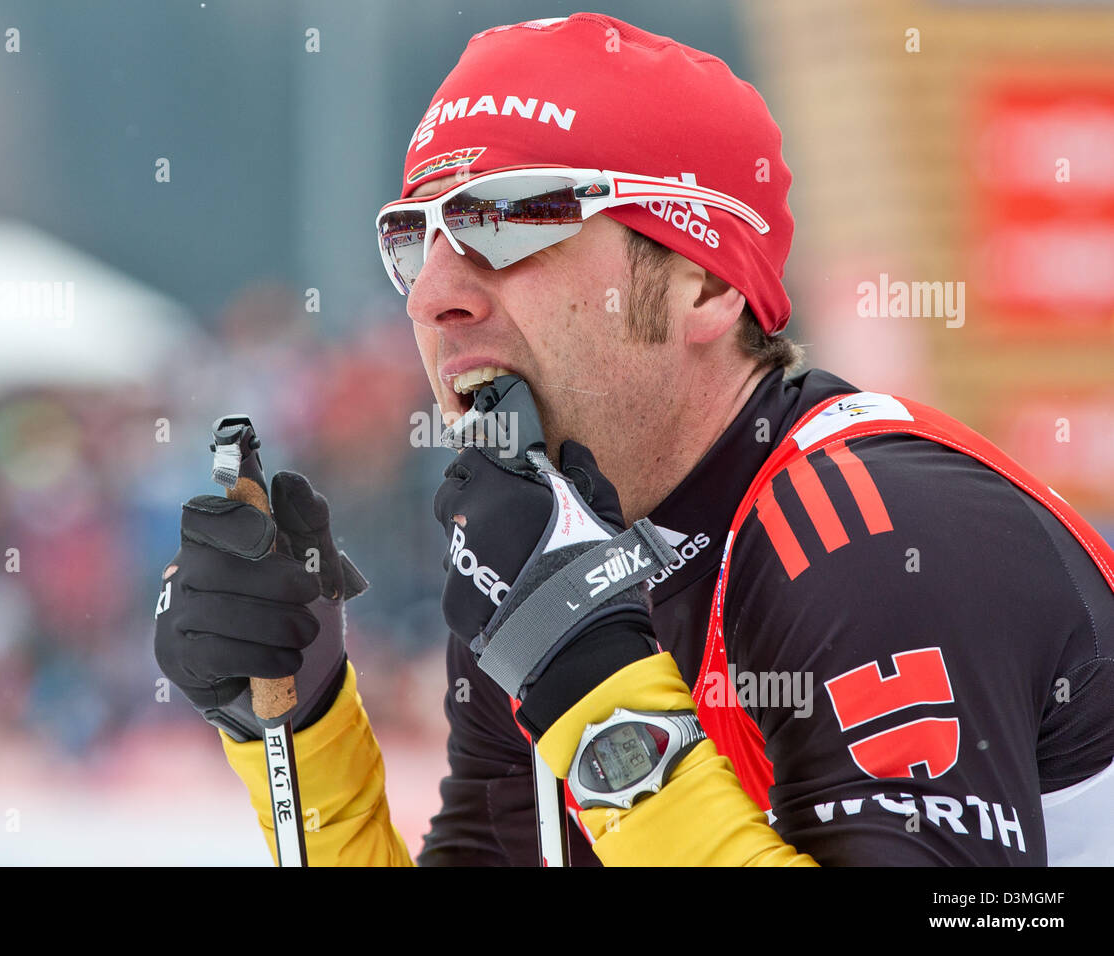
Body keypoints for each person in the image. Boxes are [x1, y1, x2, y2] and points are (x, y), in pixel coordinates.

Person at [154, 13, 1114, 866]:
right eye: (415, 235)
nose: (430, 293)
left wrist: (597, 691)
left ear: (705, 283)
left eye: (510, 220)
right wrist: (301, 732)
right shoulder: (546, 555)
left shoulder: (887, 541)